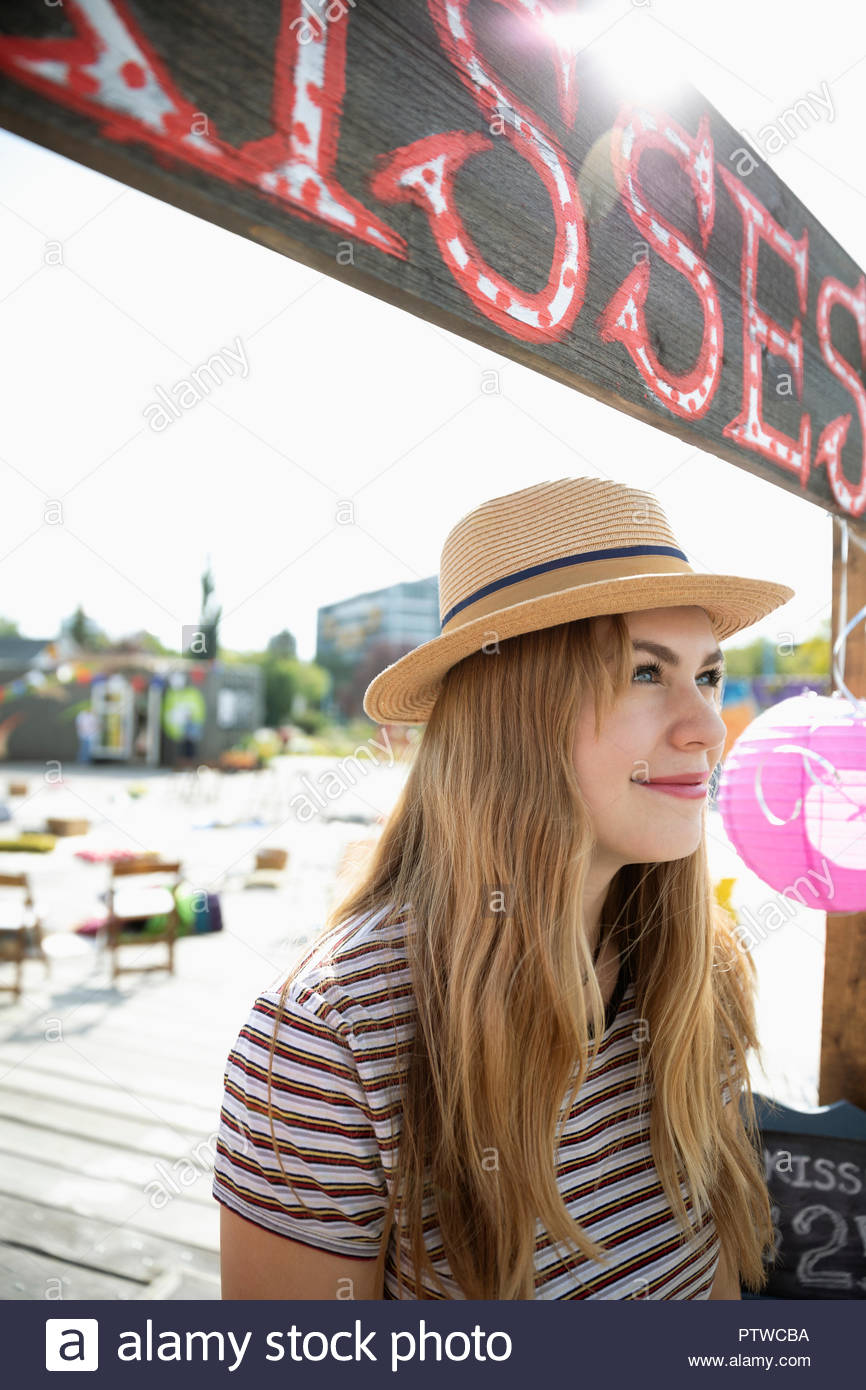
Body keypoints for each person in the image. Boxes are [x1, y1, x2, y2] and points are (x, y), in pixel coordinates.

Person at [212, 476, 795, 1301]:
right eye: (643, 672)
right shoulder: (326, 1044)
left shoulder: (703, 969)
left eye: (706, 676)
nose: (706, 726)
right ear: (512, 713)